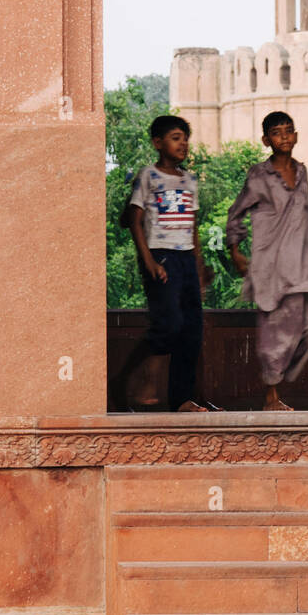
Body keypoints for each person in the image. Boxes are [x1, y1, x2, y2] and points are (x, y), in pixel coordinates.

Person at [110, 115, 212, 413]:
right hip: (160, 254)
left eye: (185, 138)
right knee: (169, 324)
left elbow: (192, 226)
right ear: (158, 143)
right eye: (176, 138)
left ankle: (181, 399)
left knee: (192, 330)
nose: (183, 144)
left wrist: (199, 266)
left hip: (186, 259)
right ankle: (126, 379)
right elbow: (134, 220)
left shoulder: (189, 179)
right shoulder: (148, 175)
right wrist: (149, 261)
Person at [226, 111, 308, 411]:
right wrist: (235, 250)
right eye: (276, 132)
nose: (283, 137)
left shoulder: (302, 172)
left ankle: (277, 378)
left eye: (288, 131)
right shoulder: (259, 175)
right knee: (274, 332)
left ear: (295, 135)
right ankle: (271, 395)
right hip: (271, 264)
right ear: (266, 140)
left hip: (303, 263)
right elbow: (236, 213)